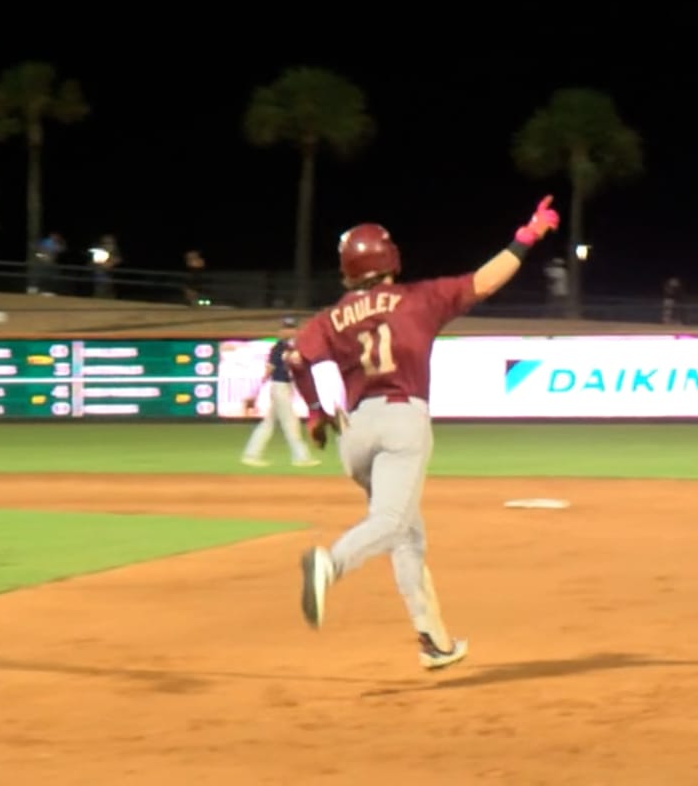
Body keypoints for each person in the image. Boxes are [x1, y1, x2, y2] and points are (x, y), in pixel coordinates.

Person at [285, 196, 560, 670]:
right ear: (389, 260)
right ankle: (330, 565)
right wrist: (527, 235)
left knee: (407, 535)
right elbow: (484, 280)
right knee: (391, 522)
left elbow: (295, 359)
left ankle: (433, 641)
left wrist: (313, 411)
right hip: (401, 420)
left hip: (355, 435)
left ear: (349, 269)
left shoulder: (330, 318)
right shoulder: (418, 299)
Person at [239, 316, 319, 468]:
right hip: (279, 386)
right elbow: (269, 370)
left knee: (268, 423)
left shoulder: (296, 347)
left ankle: (251, 454)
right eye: (286, 328)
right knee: (290, 422)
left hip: (288, 387)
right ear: (281, 330)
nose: (289, 331)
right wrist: (255, 392)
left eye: (292, 327)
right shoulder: (278, 348)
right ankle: (301, 457)